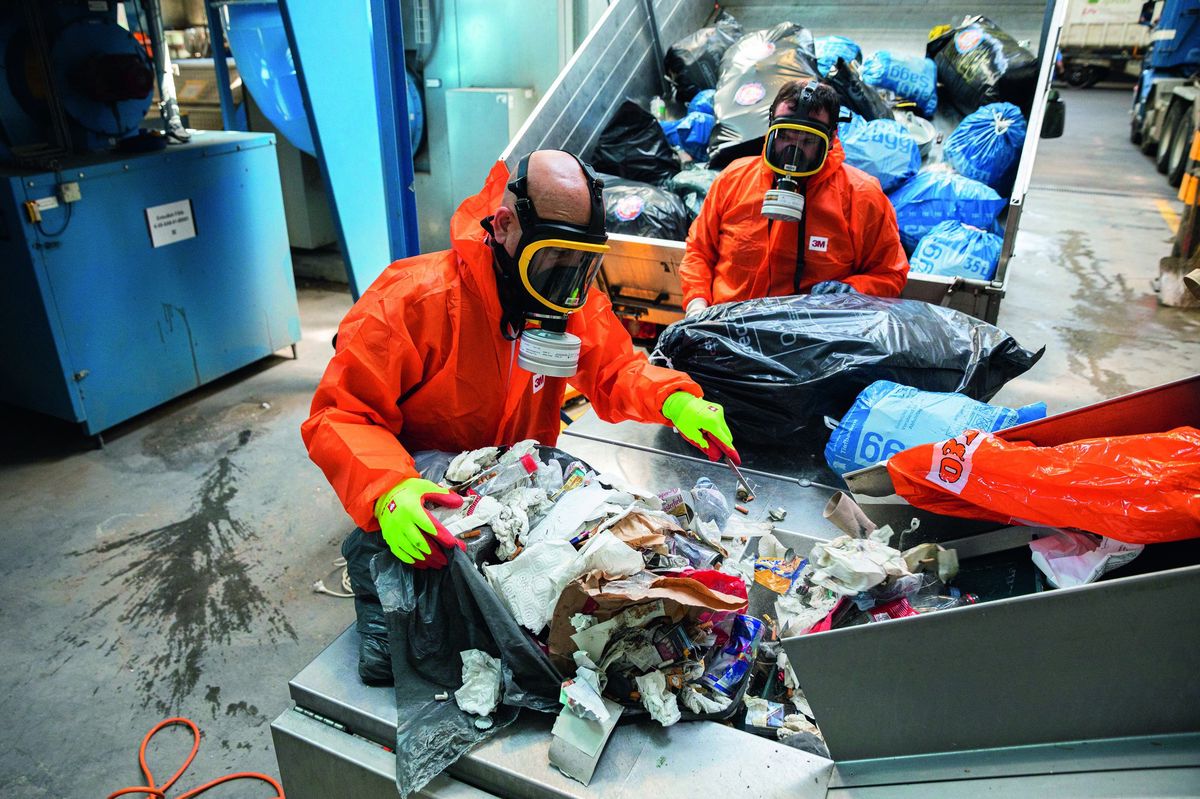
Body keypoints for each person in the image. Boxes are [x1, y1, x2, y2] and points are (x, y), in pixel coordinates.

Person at [301, 149, 739, 568]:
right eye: (555, 255)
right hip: (429, 501)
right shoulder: (412, 301)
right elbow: (341, 415)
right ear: (505, 225)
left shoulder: (565, 302)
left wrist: (673, 399)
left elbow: (615, 369)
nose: (567, 275)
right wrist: (389, 489)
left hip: (518, 496)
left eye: (581, 260)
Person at [679, 79, 909, 317]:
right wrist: (697, 304)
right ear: (771, 127)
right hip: (726, 326)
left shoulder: (861, 196)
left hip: (813, 334)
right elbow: (699, 251)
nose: (793, 150)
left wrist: (851, 291)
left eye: (808, 141)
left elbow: (890, 274)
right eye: (785, 136)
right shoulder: (734, 180)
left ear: (831, 138)